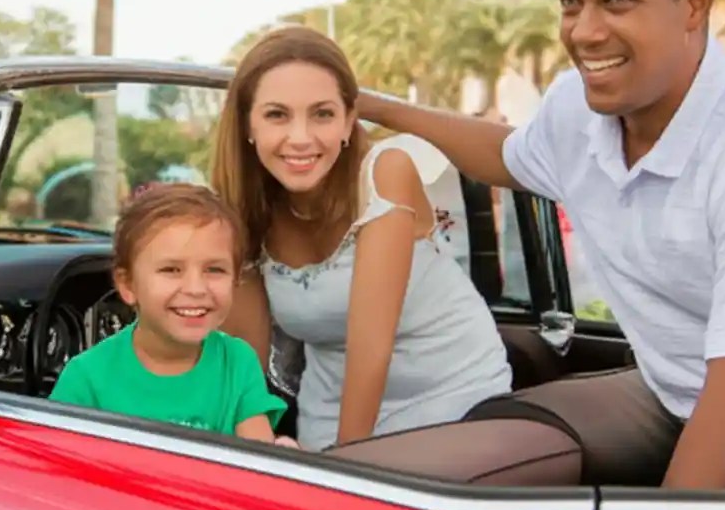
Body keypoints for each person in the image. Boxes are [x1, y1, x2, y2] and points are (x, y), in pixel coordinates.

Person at [342, 0, 725, 491]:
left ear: (694, 5)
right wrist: (372, 105)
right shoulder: (575, 110)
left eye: (616, 0)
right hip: (670, 395)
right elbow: (507, 155)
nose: (583, 32)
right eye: (570, 2)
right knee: (453, 470)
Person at [210, 26, 513, 452]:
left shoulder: (386, 171)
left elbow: (372, 344)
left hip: (455, 398)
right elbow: (245, 362)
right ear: (248, 125)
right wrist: (252, 446)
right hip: (328, 409)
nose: (301, 138)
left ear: (350, 122)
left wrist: (349, 463)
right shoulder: (243, 216)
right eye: (277, 115)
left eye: (323, 114)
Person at [49, 183, 296, 447]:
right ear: (128, 285)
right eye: (171, 270)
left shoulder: (237, 362)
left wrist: (279, 453)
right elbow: (58, 472)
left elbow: (257, 461)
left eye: (214, 270)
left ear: (235, 280)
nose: (195, 289)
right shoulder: (86, 379)